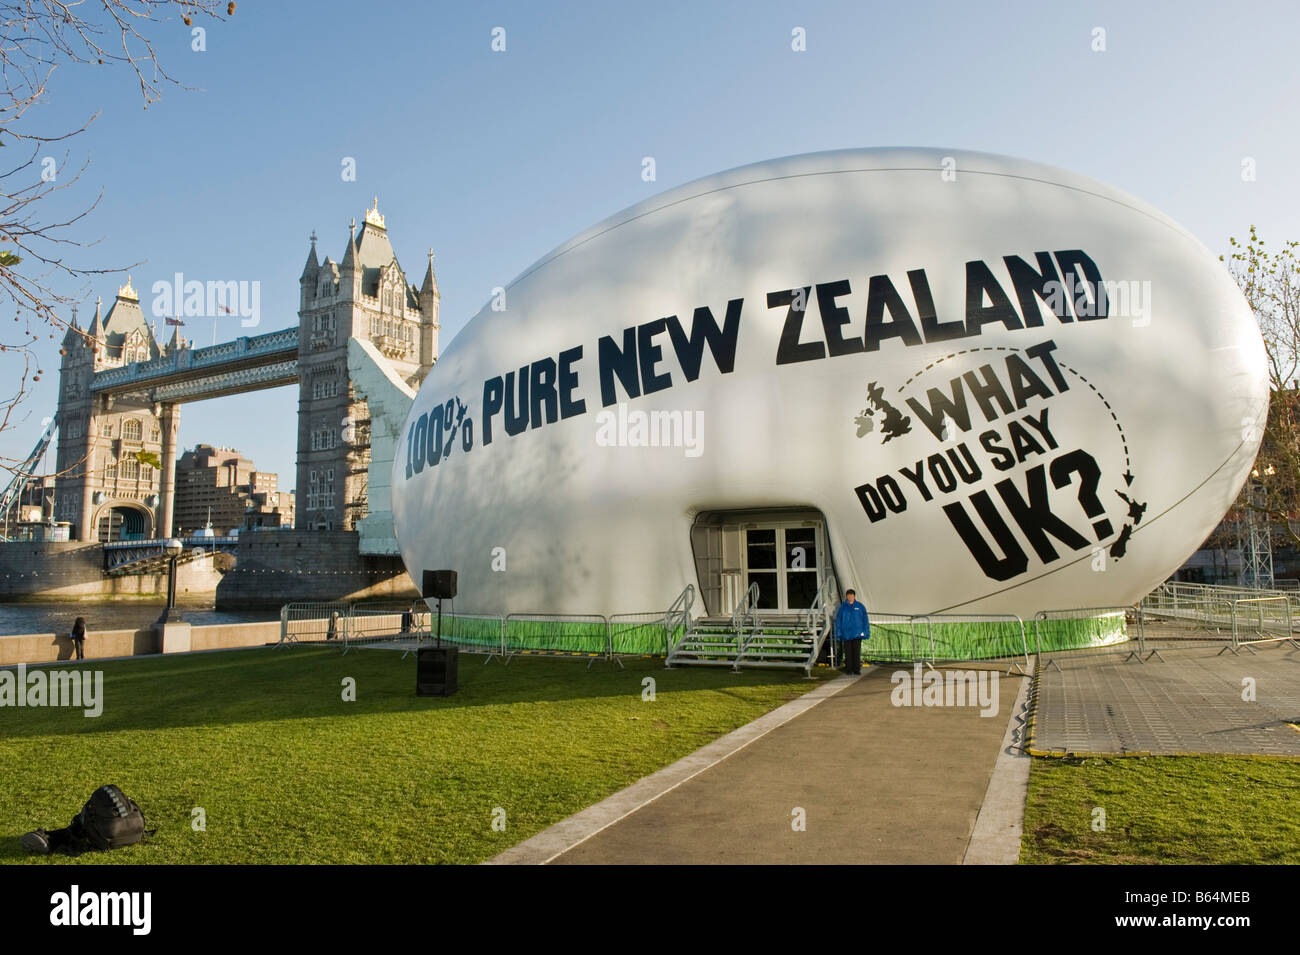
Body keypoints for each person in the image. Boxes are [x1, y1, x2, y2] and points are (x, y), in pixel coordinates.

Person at [834, 589, 869, 675]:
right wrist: (839, 633)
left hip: (857, 634)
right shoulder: (843, 607)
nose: (850, 597)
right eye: (848, 595)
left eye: (851, 595)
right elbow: (839, 620)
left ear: (854, 596)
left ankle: (856, 669)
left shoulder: (860, 606)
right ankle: (849, 669)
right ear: (846, 596)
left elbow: (865, 620)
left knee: (856, 652)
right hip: (846, 634)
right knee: (848, 653)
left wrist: (865, 631)